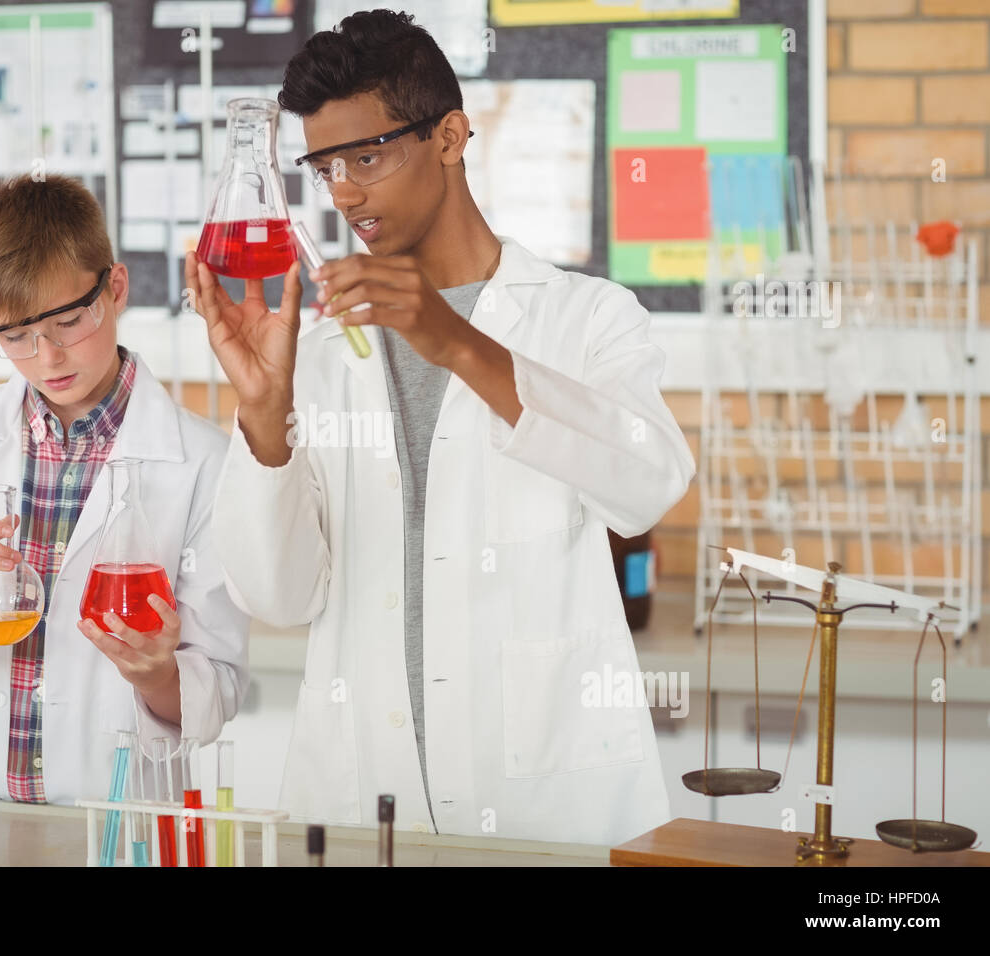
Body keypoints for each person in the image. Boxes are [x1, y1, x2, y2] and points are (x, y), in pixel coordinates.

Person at [185, 10, 695, 845]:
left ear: (452, 136)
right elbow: (278, 595)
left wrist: (454, 340)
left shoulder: (588, 319)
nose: (344, 191)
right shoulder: (320, 352)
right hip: (358, 800)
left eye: (367, 156)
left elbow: (648, 485)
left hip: (545, 808)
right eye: (324, 167)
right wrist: (262, 412)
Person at [0, 174, 247, 804]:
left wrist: (158, 674)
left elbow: (216, 693)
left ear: (115, 287)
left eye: (70, 321)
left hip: (116, 820)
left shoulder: (203, 461)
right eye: (15, 337)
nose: (48, 357)